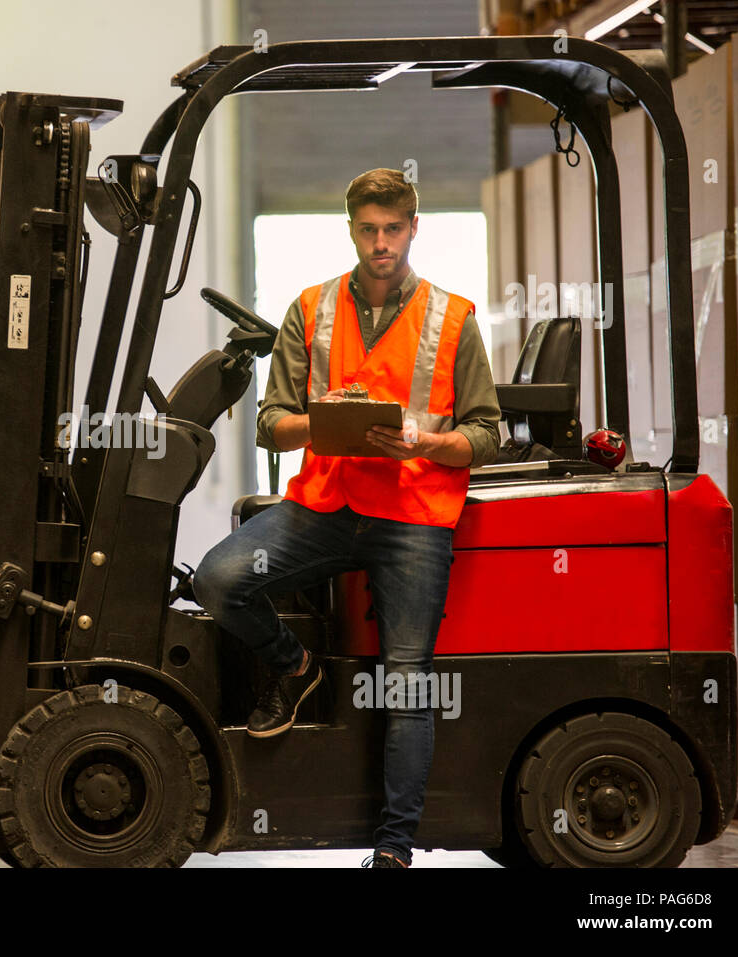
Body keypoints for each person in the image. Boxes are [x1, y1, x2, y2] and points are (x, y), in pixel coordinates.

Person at [191, 168, 501, 868]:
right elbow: (271, 424)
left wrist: (424, 441)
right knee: (219, 579)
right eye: (369, 229)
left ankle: (393, 850)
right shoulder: (312, 307)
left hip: (413, 514)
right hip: (326, 506)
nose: (381, 242)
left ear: (414, 227)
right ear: (352, 228)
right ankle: (296, 666)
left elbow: (486, 434)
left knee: (407, 680)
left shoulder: (454, 319)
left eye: (393, 228)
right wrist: (324, 422)